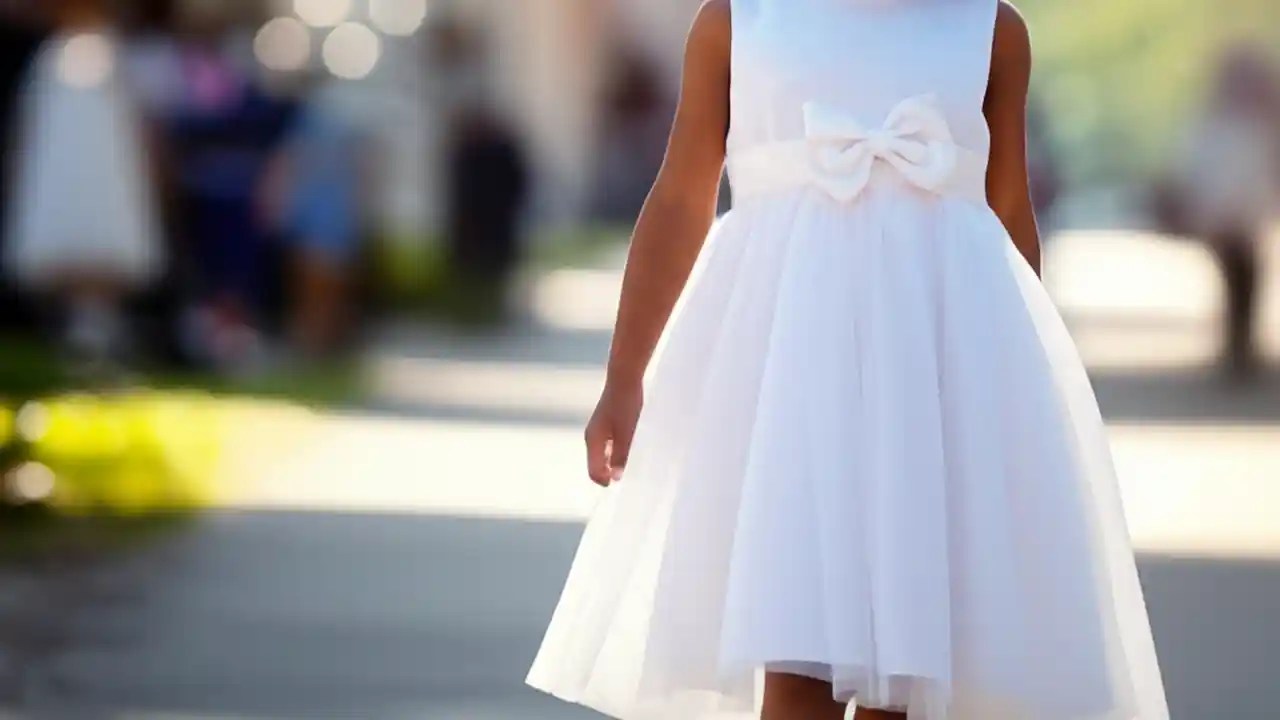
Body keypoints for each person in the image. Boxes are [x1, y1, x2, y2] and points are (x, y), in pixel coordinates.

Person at [527, 2, 1169, 720]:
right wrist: (624, 376)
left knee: (912, 667)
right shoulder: (739, 21)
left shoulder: (989, 31)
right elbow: (681, 196)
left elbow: (1009, 212)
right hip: (784, 377)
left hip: (931, 379)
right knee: (797, 657)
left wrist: (1018, 401)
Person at [3, 0, 162, 362]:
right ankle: (78, 335)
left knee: (99, 251)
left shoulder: (106, 54)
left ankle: (95, 335)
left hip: (102, 173)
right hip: (62, 170)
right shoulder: (52, 55)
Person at [1182, 47, 1279, 378]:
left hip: (1246, 220)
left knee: (1247, 284)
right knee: (1238, 283)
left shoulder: (1258, 126)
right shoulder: (1220, 126)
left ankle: (1241, 347)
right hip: (1227, 222)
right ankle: (1237, 348)